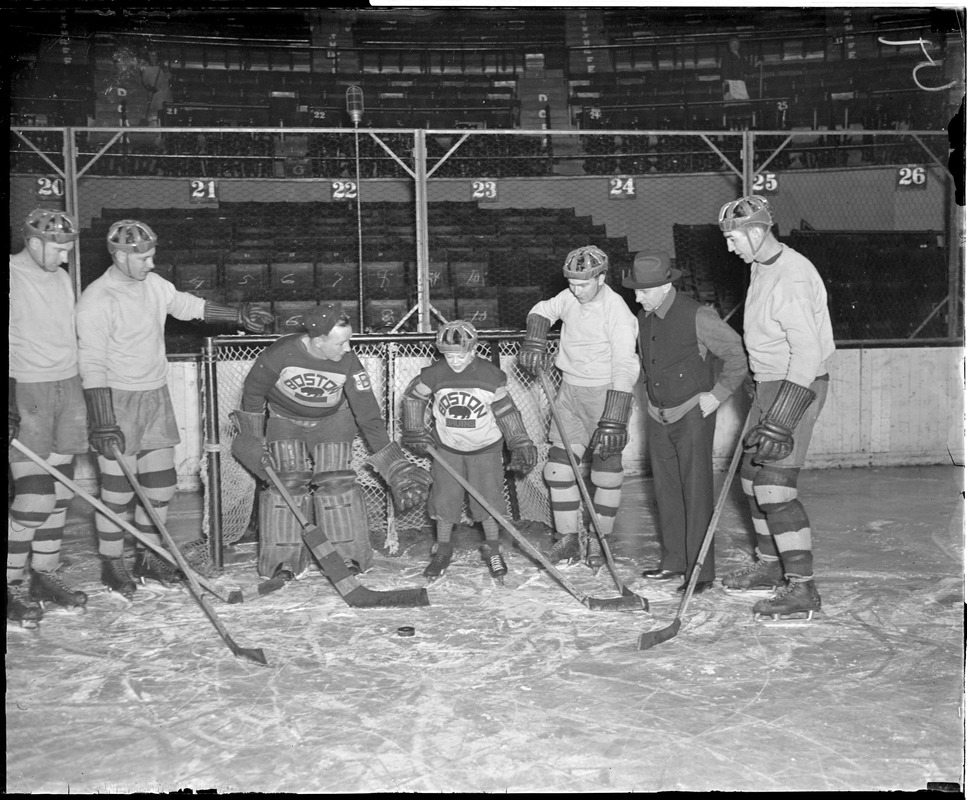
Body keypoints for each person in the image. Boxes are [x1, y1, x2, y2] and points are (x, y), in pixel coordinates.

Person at [76, 218, 274, 597]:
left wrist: (237, 317)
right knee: (117, 490)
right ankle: (112, 563)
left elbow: (188, 305)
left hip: (155, 395)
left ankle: (149, 557)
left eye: (152, 256)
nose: (151, 264)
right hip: (115, 400)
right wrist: (102, 420)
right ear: (120, 256)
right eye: (144, 258)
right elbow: (91, 363)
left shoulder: (153, 285)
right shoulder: (96, 299)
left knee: (161, 486)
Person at [230, 301, 432, 580]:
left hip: (333, 421)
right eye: (341, 343)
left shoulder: (348, 362)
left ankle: (349, 558)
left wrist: (394, 464)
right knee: (285, 484)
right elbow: (252, 396)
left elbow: (368, 415)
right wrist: (252, 440)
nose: (348, 349)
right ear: (318, 341)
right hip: (284, 421)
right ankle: (283, 562)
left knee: (336, 481)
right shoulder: (278, 355)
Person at [718, 195, 835, 620]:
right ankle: (769, 567)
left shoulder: (793, 276)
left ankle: (803, 589)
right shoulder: (761, 266)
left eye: (733, 238)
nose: (729, 247)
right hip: (770, 383)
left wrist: (782, 417)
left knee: (774, 489)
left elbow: (807, 354)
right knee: (751, 482)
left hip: (797, 386)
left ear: (754, 232)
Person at [623, 251, 748, 595]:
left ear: (665, 285)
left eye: (643, 290)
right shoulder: (644, 315)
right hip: (657, 415)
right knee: (665, 491)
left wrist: (719, 393)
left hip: (693, 414)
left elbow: (737, 355)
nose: (637, 296)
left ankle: (700, 571)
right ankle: (674, 560)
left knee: (695, 492)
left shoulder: (698, 315)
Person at [518, 245, 640, 569]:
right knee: (558, 469)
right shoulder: (570, 297)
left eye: (583, 283)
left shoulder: (618, 312)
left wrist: (615, 417)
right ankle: (568, 540)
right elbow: (541, 310)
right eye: (571, 282)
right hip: (570, 391)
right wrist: (535, 339)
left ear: (601, 277)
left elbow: (626, 366)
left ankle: (601, 542)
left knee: (606, 476)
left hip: (607, 394)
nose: (575, 289)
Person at [400, 320, 538, 583]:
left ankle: (493, 549)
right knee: (444, 500)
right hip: (447, 448)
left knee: (487, 502)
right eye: (449, 355)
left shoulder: (490, 375)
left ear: (473, 350)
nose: (454, 360)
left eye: (460, 354)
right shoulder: (435, 374)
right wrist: (414, 427)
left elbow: (506, 411)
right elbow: (414, 397)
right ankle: (442, 549)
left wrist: (519, 441)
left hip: (485, 449)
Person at [8, 209, 89, 627]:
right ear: (34, 242)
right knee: (35, 497)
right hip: (28, 391)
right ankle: (9, 584)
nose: (64, 257)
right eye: (58, 248)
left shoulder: (58, 276)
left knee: (59, 496)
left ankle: (44, 574)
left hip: (67, 388)